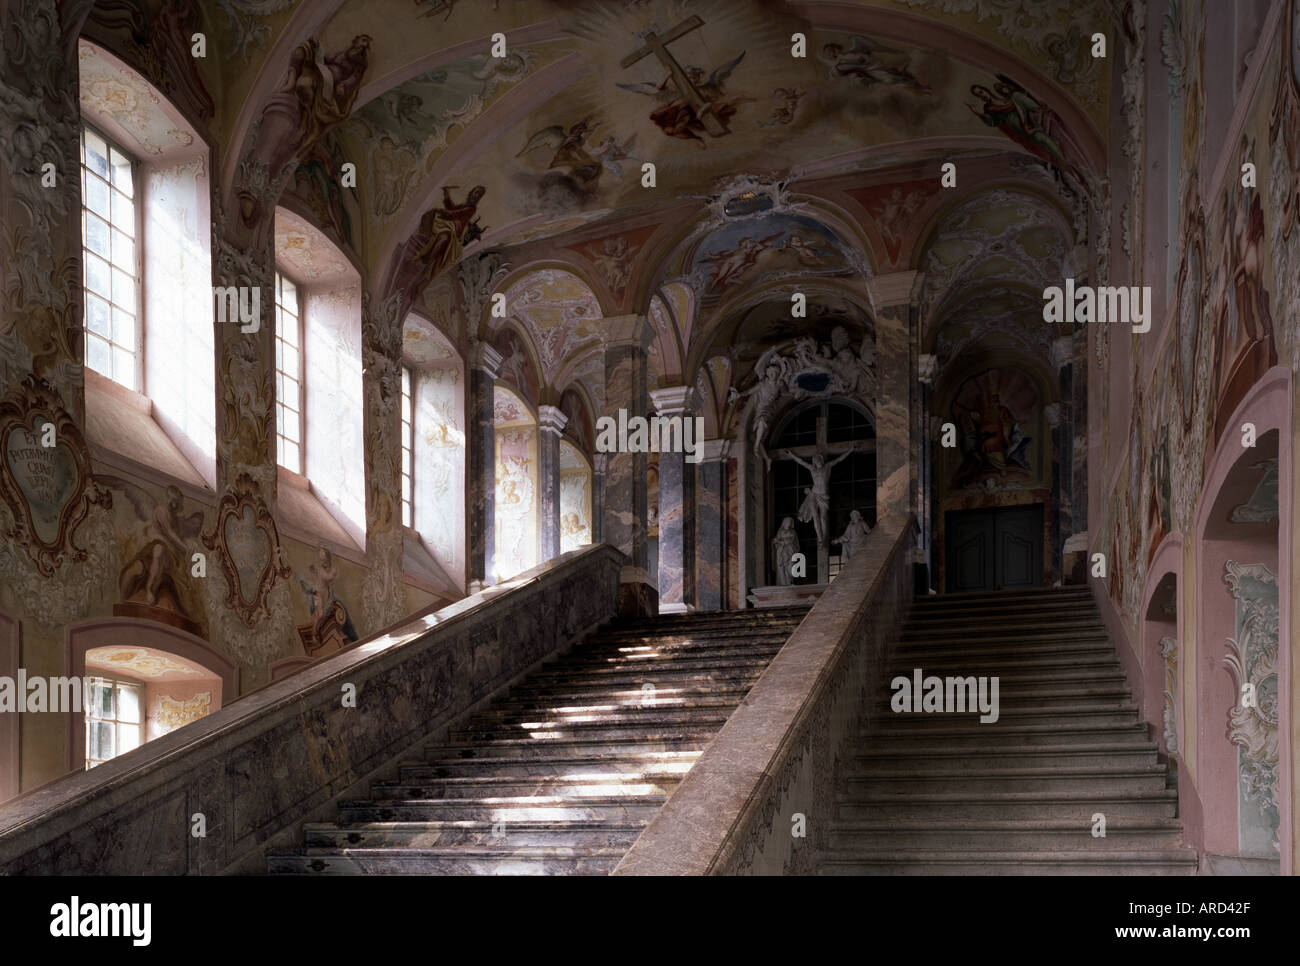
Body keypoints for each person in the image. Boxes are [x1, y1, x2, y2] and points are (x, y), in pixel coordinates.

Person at [771, 517, 801, 585]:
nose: (789, 523)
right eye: (787, 521)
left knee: (791, 569)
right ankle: (784, 583)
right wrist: (779, 542)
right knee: (782, 569)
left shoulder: (793, 532)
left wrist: (793, 547)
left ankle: (790, 581)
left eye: (790, 522)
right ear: (784, 522)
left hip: (791, 551)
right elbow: (775, 542)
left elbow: (796, 543)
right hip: (782, 552)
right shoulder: (780, 531)